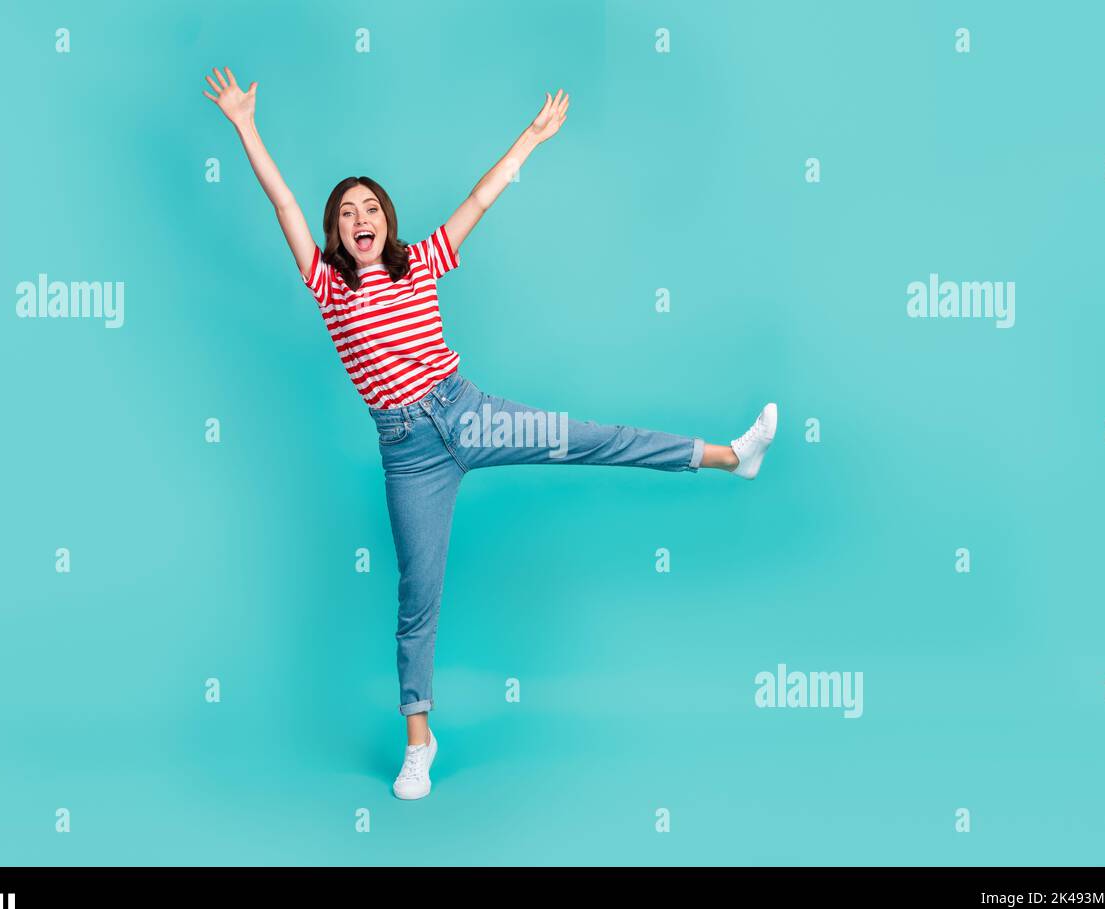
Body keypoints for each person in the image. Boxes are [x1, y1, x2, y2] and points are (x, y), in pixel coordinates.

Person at [203, 67, 778, 800]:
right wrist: (246, 126)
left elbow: (480, 198)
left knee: (592, 437)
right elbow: (280, 198)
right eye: (346, 211)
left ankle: (731, 457)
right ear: (336, 232)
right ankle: (419, 743)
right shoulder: (327, 284)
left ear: (388, 217)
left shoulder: (423, 262)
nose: (359, 215)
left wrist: (531, 139)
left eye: (369, 205)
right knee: (419, 595)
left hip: (466, 411)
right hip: (409, 454)